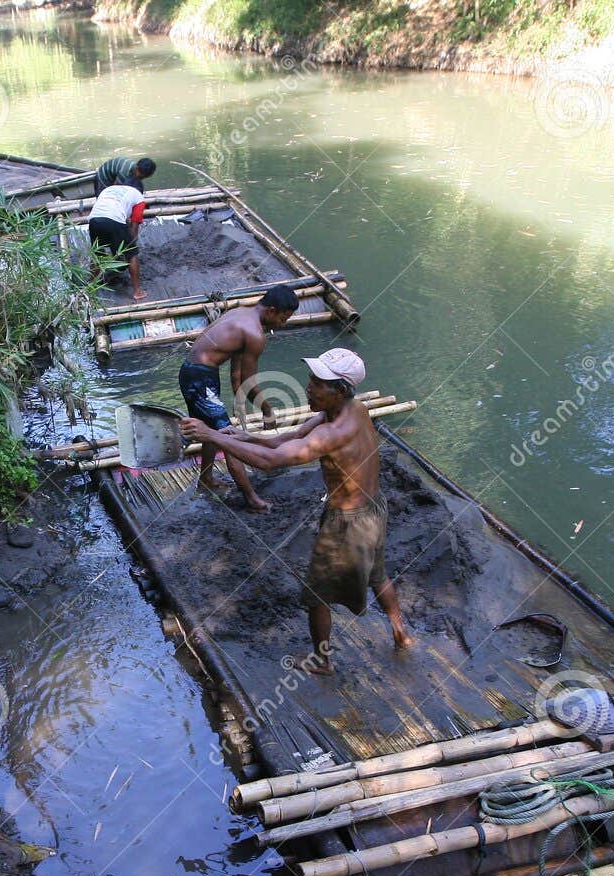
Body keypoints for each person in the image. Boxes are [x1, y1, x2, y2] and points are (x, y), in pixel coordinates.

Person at [183, 348, 414, 669]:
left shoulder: (333, 433)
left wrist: (211, 435)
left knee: (316, 595)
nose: (309, 388)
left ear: (341, 391)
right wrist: (244, 436)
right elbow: (287, 439)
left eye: (318, 384)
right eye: (311, 380)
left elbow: (271, 462)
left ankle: (322, 660)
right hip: (374, 509)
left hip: (347, 523)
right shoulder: (349, 410)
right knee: (378, 574)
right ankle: (401, 633)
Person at [176, 285, 299, 512]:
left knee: (211, 431)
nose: (283, 324)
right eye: (283, 318)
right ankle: (252, 499)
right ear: (271, 311)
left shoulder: (240, 312)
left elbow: (237, 376)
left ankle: (206, 479)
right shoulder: (255, 334)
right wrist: (267, 410)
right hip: (200, 379)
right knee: (229, 437)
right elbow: (249, 382)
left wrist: (238, 403)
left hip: (194, 372)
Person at [87, 180, 149, 300]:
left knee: (97, 253)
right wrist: (131, 245)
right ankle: (137, 291)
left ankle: (90, 285)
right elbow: (134, 225)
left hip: (94, 220)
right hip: (114, 219)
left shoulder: (108, 190)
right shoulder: (138, 196)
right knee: (132, 254)